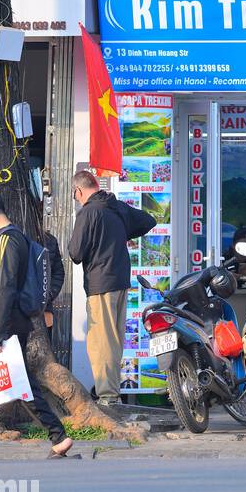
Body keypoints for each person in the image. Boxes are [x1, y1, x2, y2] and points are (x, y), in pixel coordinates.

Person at [68, 170, 155, 408]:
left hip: (100, 284)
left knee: (101, 342)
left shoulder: (88, 212)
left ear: (79, 190)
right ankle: (112, 392)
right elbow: (149, 220)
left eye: (76, 196)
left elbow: (75, 253)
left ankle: (107, 396)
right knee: (115, 340)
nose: (77, 200)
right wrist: (122, 232)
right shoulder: (116, 207)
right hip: (121, 283)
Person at [0, 193, 72, 456]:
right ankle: (58, 436)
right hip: (14, 321)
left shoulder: (8, 239)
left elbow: (6, 288)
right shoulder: (14, 237)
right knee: (20, 382)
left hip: (11, 322)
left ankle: (58, 435)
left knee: (21, 382)